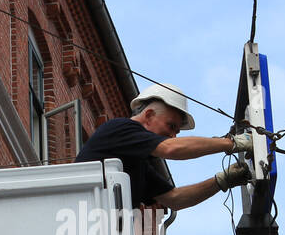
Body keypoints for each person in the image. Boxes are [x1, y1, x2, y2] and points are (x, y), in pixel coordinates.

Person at [75, 83, 253, 211]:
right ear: (149, 115)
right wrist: (232, 143)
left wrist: (222, 180)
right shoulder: (120, 129)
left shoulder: (136, 162)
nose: (174, 136)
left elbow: (174, 199)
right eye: (171, 126)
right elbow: (171, 148)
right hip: (83, 222)